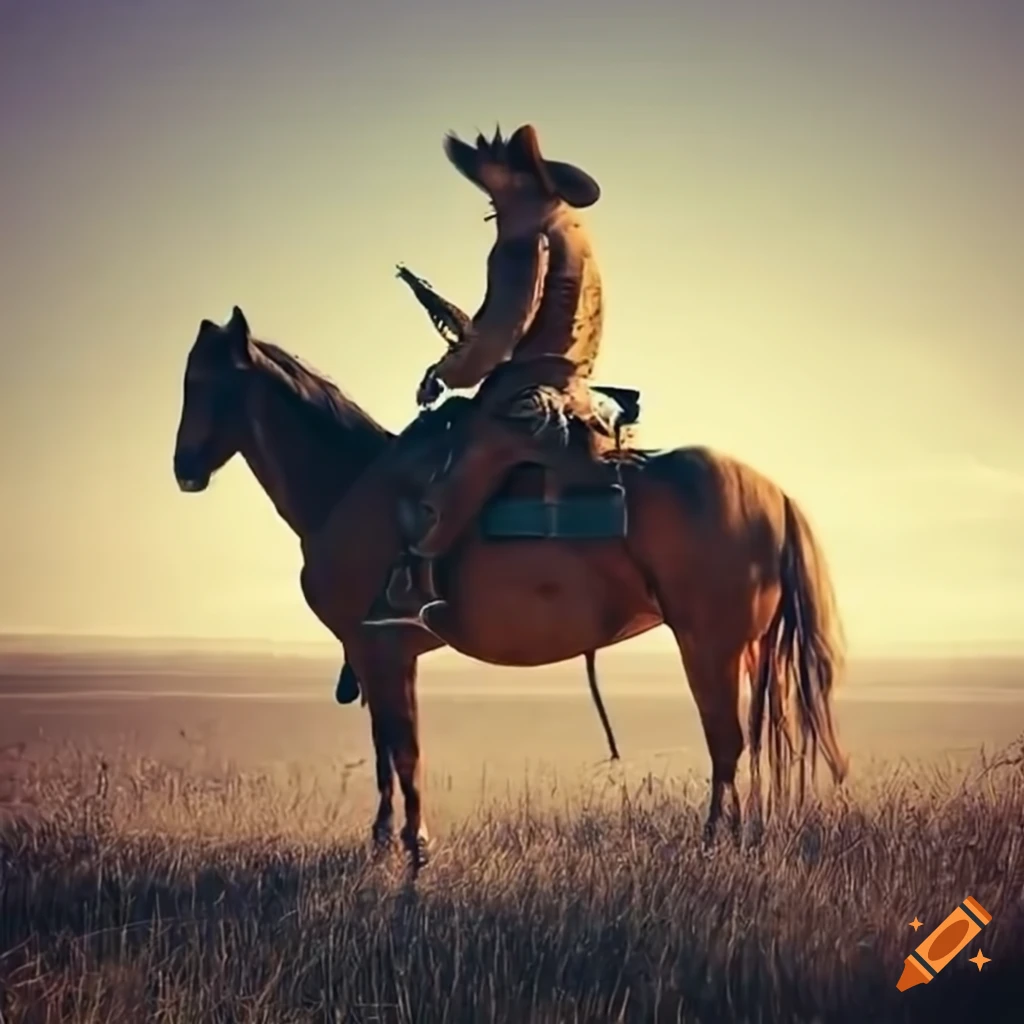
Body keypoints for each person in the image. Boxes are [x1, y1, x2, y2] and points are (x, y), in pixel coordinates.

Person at [363, 122, 605, 627]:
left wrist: (447, 373)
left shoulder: (525, 241)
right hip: (574, 383)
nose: (492, 207)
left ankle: (416, 581)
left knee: (450, 460)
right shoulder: (570, 231)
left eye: (495, 195)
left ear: (521, 184)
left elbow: (501, 332)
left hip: (530, 385)